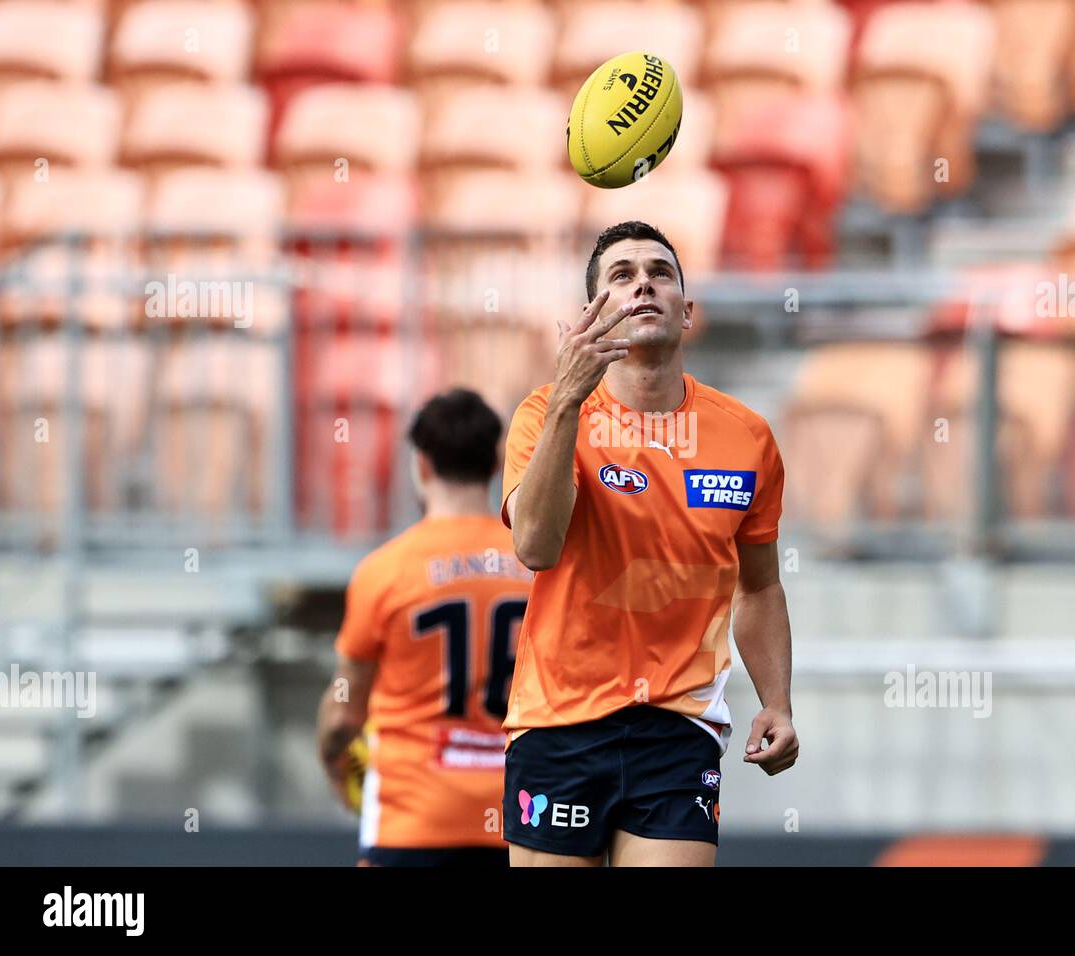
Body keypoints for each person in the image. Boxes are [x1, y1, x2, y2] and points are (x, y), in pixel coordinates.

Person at [501, 220, 798, 867]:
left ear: (688, 312)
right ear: (594, 317)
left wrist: (777, 702)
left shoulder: (746, 436)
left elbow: (760, 585)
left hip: (677, 727)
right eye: (623, 275)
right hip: (559, 722)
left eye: (660, 273)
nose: (644, 284)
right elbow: (535, 547)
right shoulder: (544, 413)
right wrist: (567, 405)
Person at [317, 388, 531, 866]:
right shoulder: (538, 566)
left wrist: (336, 766)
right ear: (496, 463)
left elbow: (344, 714)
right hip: (520, 823)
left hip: (411, 824)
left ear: (422, 465)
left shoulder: (385, 570)